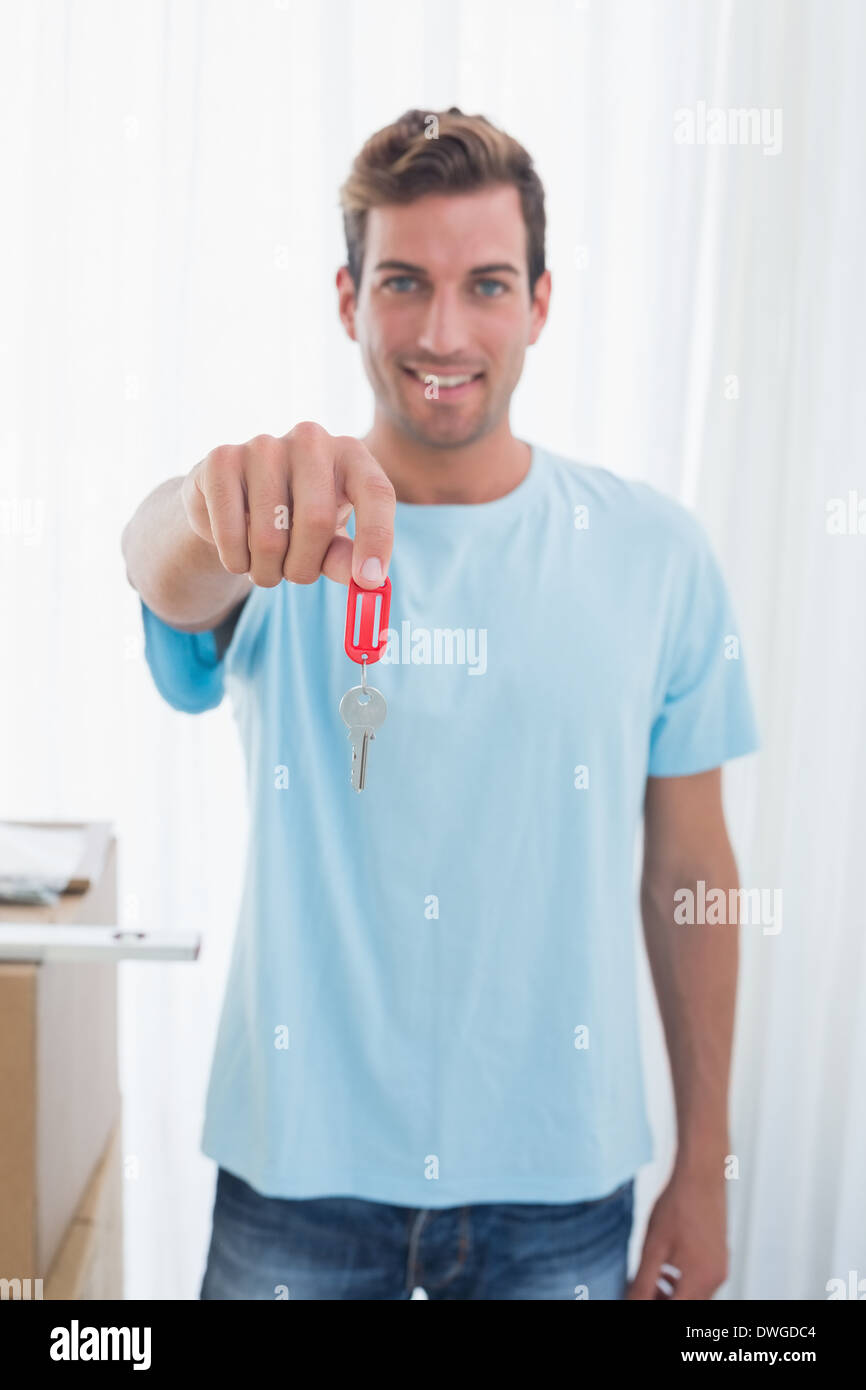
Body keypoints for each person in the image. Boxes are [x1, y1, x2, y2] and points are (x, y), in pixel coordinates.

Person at [121, 107, 760, 1301]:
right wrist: (204, 504)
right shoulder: (279, 525)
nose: (443, 330)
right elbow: (164, 572)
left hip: (558, 1188)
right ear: (347, 298)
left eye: (487, 283)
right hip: (294, 1182)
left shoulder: (654, 555)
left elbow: (690, 870)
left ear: (540, 303)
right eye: (404, 281)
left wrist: (705, 1164)